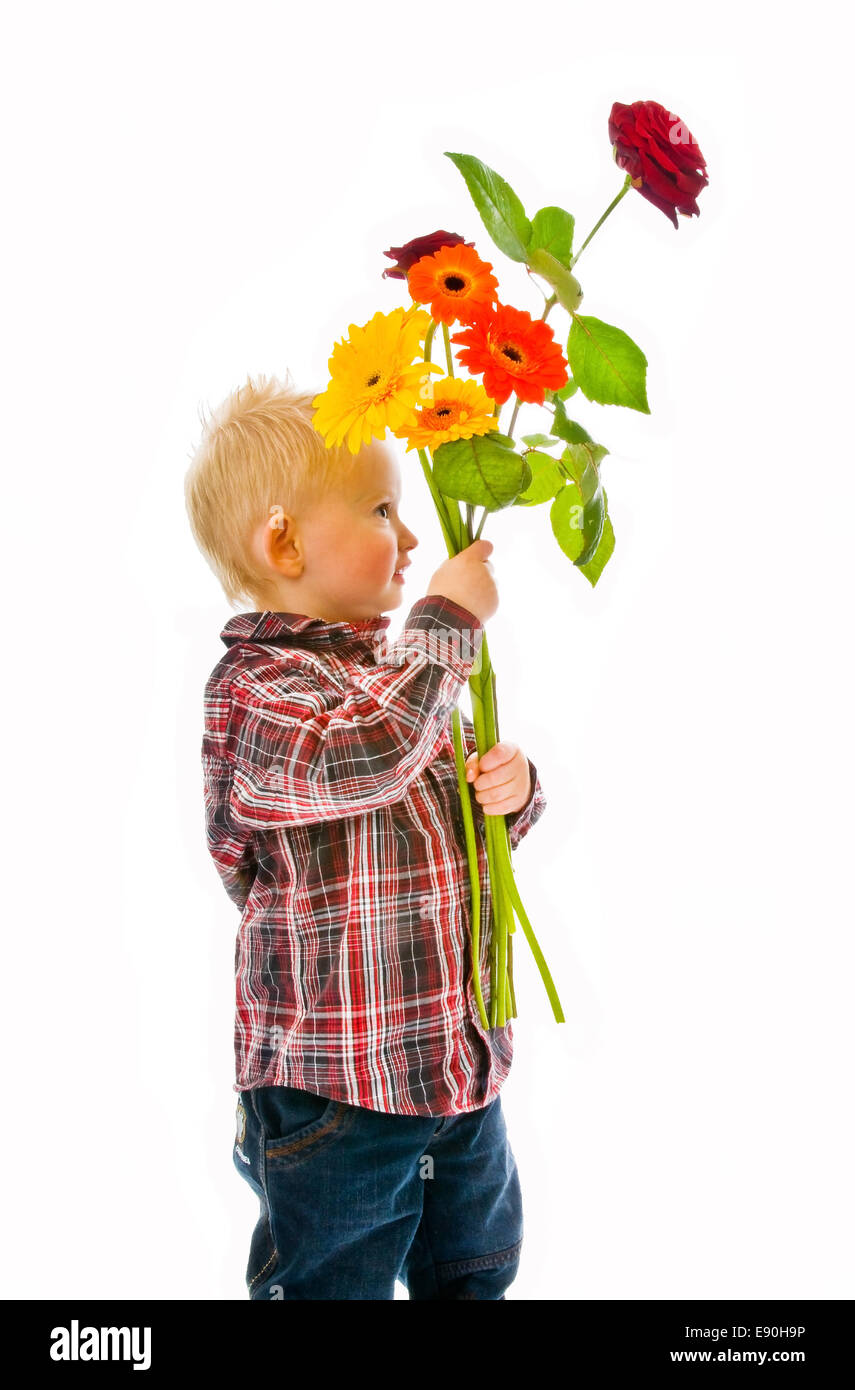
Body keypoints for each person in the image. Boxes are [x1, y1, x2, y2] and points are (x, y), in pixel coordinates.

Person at [184, 372, 547, 1299]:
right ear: (285, 541)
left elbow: (448, 812)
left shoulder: (390, 676)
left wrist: (508, 795)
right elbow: (366, 754)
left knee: (475, 1268)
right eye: (383, 508)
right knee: (333, 1281)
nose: (413, 536)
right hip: (336, 1090)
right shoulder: (258, 693)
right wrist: (447, 622)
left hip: (453, 1067)